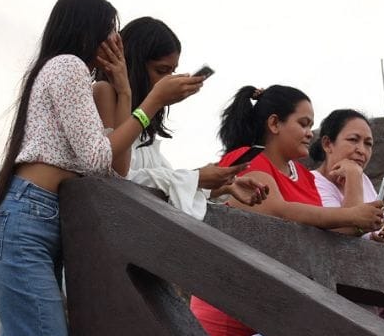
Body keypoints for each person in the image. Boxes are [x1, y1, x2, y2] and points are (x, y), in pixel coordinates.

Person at [0, 0, 161, 336]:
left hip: (31, 226)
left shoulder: (69, 76)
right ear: (90, 28)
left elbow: (117, 170)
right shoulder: (66, 66)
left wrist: (124, 88)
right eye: (110, 29)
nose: (115, 40)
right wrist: (149, 105)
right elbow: (99, 157)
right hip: (24, 224)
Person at [190, 85, 384, 336]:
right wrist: (352, 215)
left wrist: (353, 184)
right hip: (231, 309)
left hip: (277, 316)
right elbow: (278, 211)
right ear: (274, 123)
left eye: (312, 125)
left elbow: (343, 230)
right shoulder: (245, 159)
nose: (310, 133)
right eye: (303, 124)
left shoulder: (303, 176)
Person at [93, 17, 266, 219]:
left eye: (172, 72)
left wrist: (223, 185)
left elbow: (158, 179)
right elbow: (119, 175)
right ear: (135, 66)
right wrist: (155, 101)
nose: (167, 80)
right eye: (161, 71)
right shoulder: (104, 93)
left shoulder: (145, 129)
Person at [309, 109, 384, 244]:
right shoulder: (312, 182)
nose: (361, 150)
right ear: (327, 144)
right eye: (353, 140)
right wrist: (353, 175)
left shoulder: (364, 181)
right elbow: (349, 230)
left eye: (368, 144)